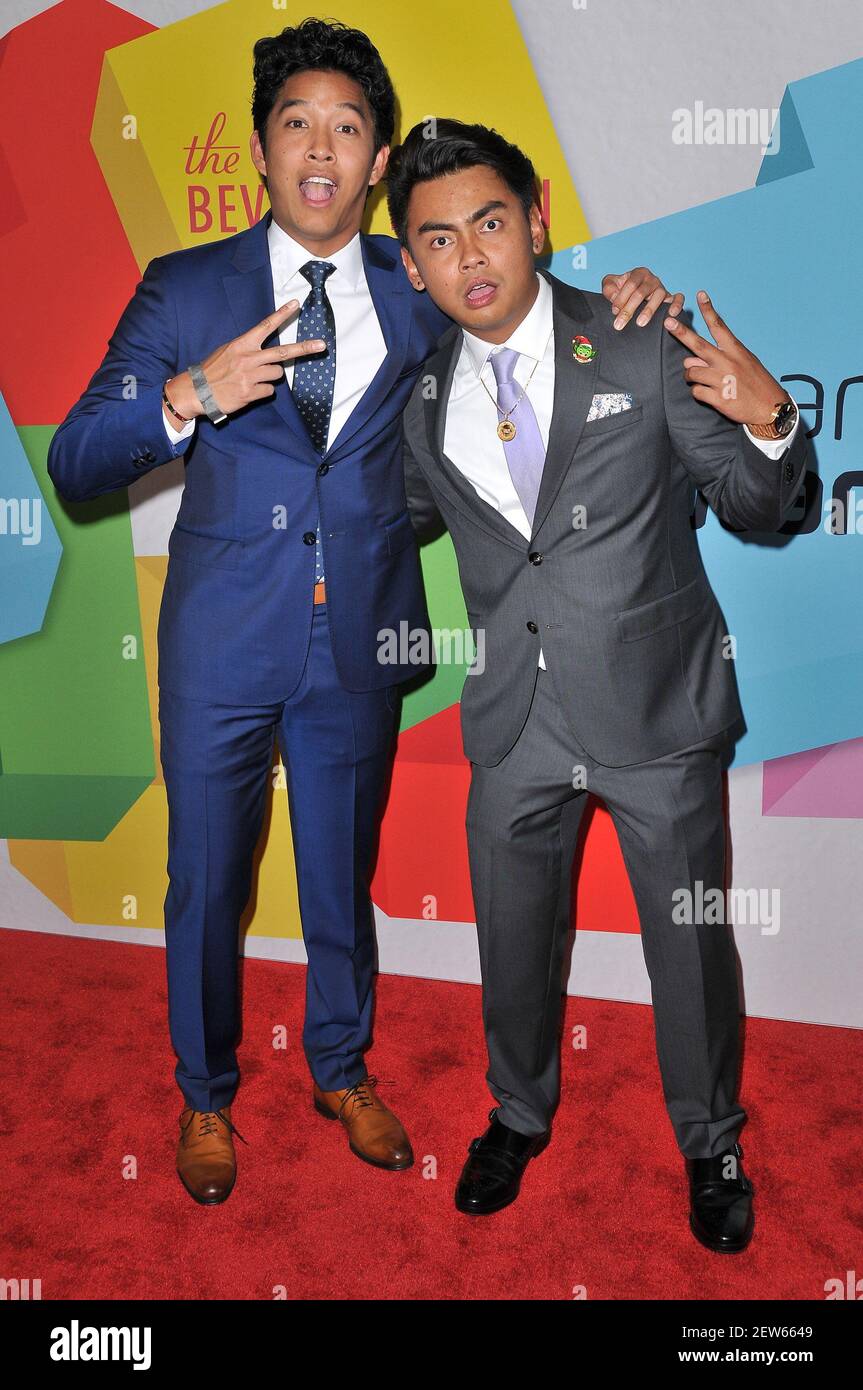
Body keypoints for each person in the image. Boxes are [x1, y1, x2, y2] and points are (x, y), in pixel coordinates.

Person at [47, 17, 685, 1206]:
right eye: (298, 124)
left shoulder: (416, 283)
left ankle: (339, 1066)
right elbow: (80, 458)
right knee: (205, 879)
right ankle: (203, 1093)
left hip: (361, 639)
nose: (322, 147)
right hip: (220, 645)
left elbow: (533, 312)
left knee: (341, 870)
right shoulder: (185, 289)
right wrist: (190, 394)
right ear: (260, 150)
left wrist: (627, 292)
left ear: (379, 155)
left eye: (347, 125)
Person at [388, 118, 806, 1252]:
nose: (468, 257)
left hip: (654, 711)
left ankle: (710, 1135)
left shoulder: (634, 337)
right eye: (437, 240)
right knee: (512, 940)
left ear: (534, 221)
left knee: (688, 941)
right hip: (512, 722)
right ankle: (517, 1112)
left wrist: (769, 420)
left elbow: (761, 508)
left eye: (487, 222)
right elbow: (396, 523)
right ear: (414, 266)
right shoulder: (421, 403)